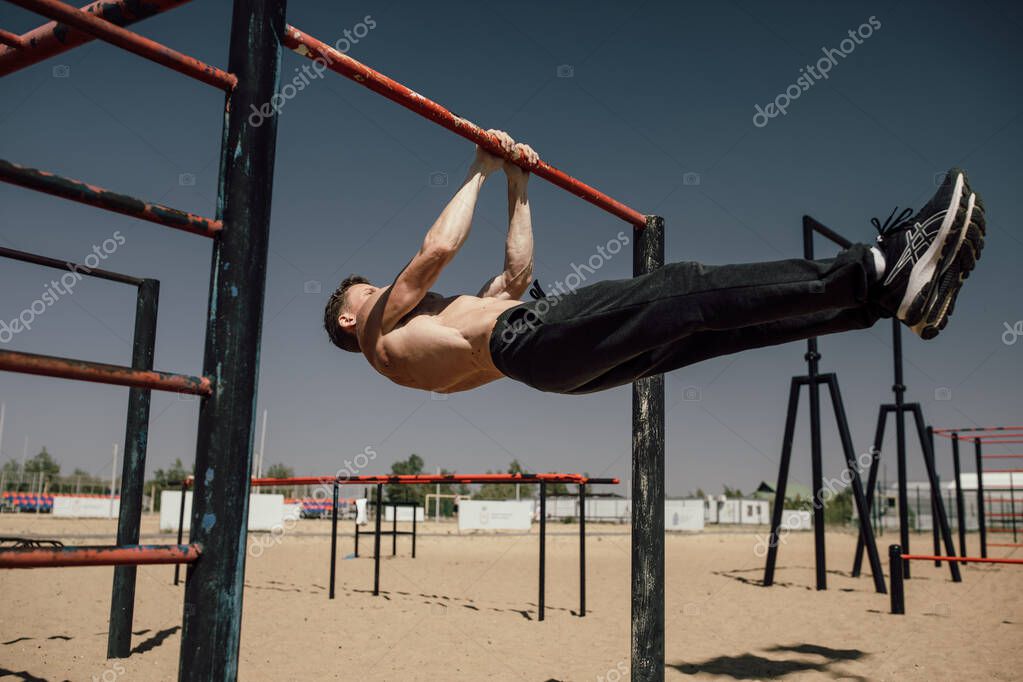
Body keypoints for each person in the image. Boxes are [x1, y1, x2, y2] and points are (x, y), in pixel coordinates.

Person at [323, 130, 985, 395]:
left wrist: (517, 183)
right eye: (372, 289)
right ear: (352, 319)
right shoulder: (382, 334)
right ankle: (877, 270)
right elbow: (435, 251)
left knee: (699, 325)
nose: (384, 288)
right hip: (530, 339)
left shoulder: (433, 328)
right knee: (681, 289)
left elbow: (516, 278)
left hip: (543, 359)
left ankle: (872, 302)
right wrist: (478, 168)